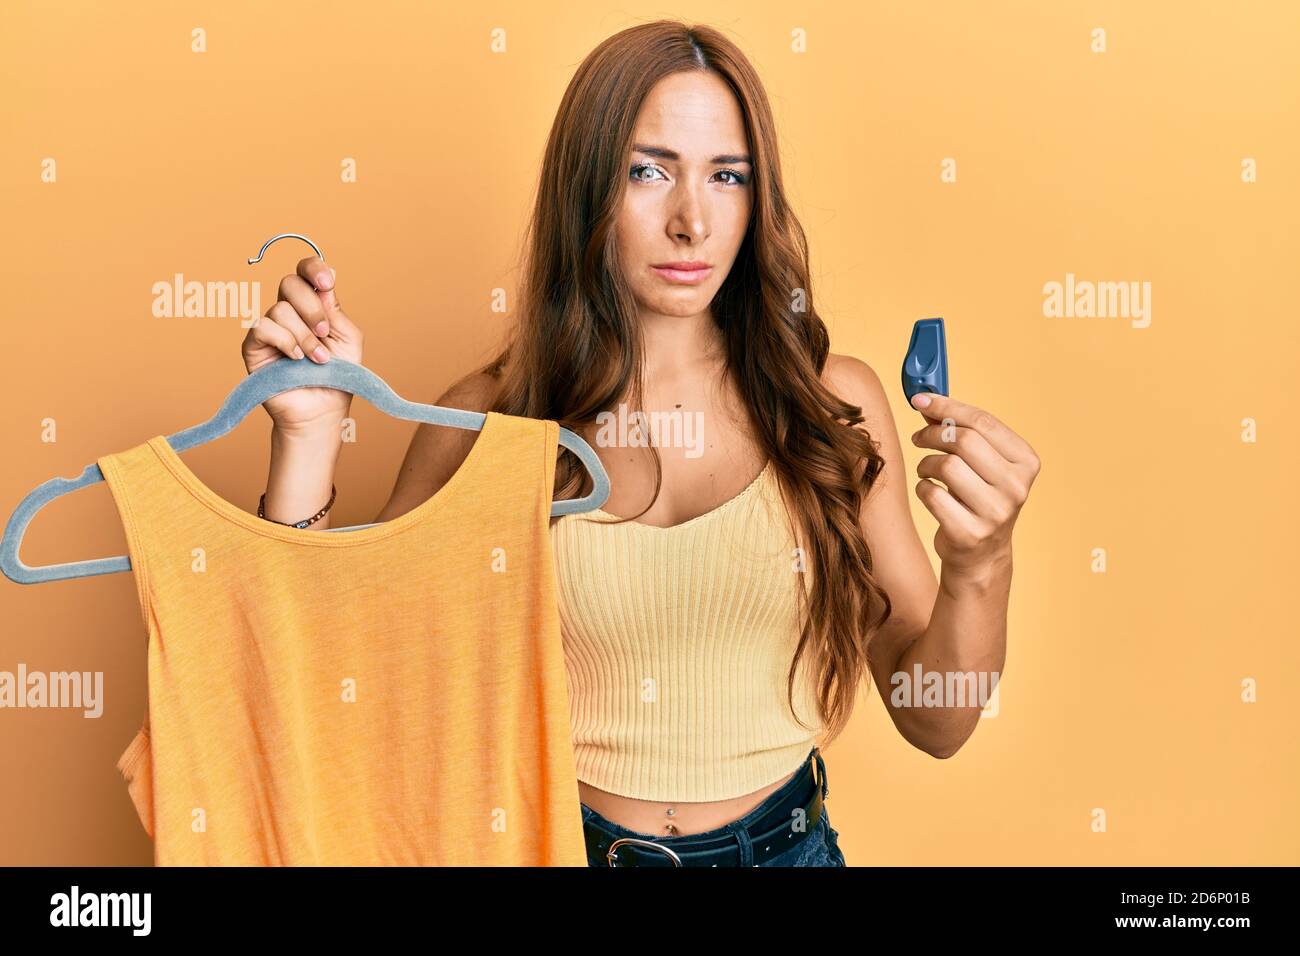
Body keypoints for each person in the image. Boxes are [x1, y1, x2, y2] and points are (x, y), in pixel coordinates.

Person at [237, 20, 1040, 867]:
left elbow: (937, 723)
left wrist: (982, 563)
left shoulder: (832, 405)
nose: (692, 221)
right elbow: (325, 695)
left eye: (727, 177)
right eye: (648, 171)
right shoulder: (490, 422)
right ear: (587, 189)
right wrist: (309, 440)